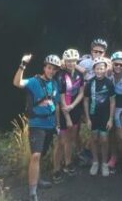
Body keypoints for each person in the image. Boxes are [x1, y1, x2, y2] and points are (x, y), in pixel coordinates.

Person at [13, 53, 61, 201]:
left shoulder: (54, 84)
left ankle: (38, 180)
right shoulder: (34, 81)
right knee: (36, 155)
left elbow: (57, 105)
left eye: (54, 69)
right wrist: (22, 64)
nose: (51, 71)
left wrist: (58, 124)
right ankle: (33, 191)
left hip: (50, 124)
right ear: (44, 67)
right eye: (49, 68)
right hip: (36, 124)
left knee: (42, 154)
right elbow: (17, 83)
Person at [52, 48, 84, 182]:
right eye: (68, 61)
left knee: (70, 139)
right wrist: (67, 117)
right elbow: (62, 99)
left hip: (75, 108)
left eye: (73, 61)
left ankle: (68, 163)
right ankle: (56, 169)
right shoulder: (60, 76)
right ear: (64, 61)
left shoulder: (79, 74)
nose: (71, 63)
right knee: (61, 142)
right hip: (64, 111)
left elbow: (81, 92)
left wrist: (73, 106)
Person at [84, 57, 116, 176]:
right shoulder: (90, 83)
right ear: (94, 69)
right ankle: (95, 162)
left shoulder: (109, 83)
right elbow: (86, 101)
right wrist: (87, 118)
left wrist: (111, 119)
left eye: (102, 68)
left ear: (105, 69)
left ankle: (104, 163)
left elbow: (113, 102)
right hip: (93, 115)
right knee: (94, 139)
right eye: (97, 68)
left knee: (104, 140)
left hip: (105, 116)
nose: (99, 71)